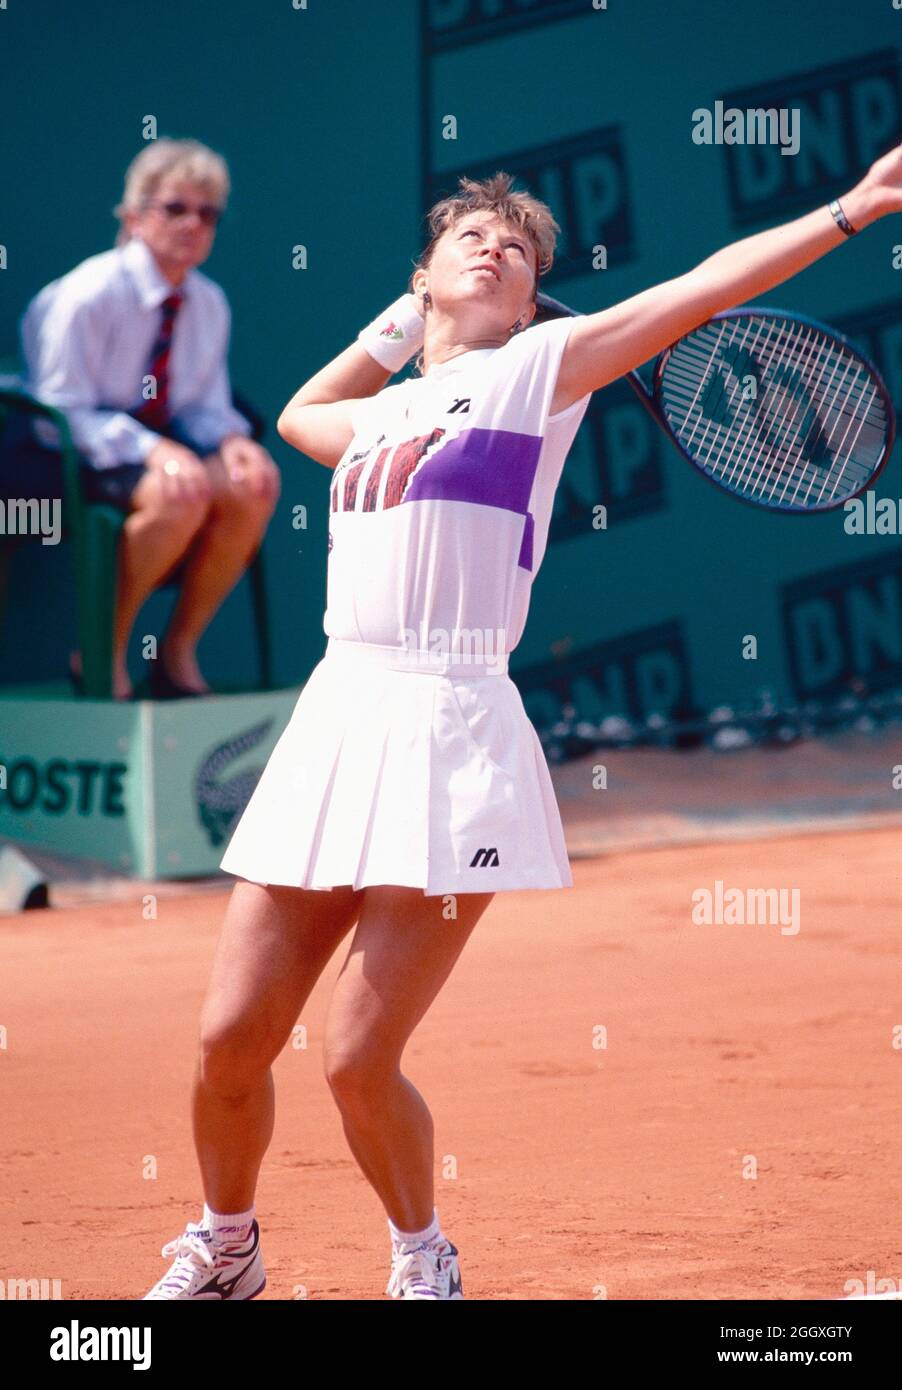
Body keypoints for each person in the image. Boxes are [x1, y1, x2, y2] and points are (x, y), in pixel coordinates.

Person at [142, 151, 902, 1299]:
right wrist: (404, 318)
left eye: (520, 250)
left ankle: (420, 1253)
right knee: (227, 1041)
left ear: (537, 295)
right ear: (423, 277)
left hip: (451, 733)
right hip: (336, 719)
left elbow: (694, 291)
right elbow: (299, 410)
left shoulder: (540, 371)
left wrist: (852, 209)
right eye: (471, 240)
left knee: (355, 1057)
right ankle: (227, 1245)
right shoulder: (376, 413)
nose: (498, 250)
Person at [15, 138, 280, 699]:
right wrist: (153, 451)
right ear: (134, 217)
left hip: (152, 447)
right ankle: (101, 652)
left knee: (254, 483)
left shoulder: (209, 302)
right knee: (177, 492)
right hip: (64, 454)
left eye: (207, 214)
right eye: (175, 208)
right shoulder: (89, 292)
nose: (192, 224)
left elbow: (201, 405)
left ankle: (177, 653)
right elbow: (58, 412)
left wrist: (231, 441)